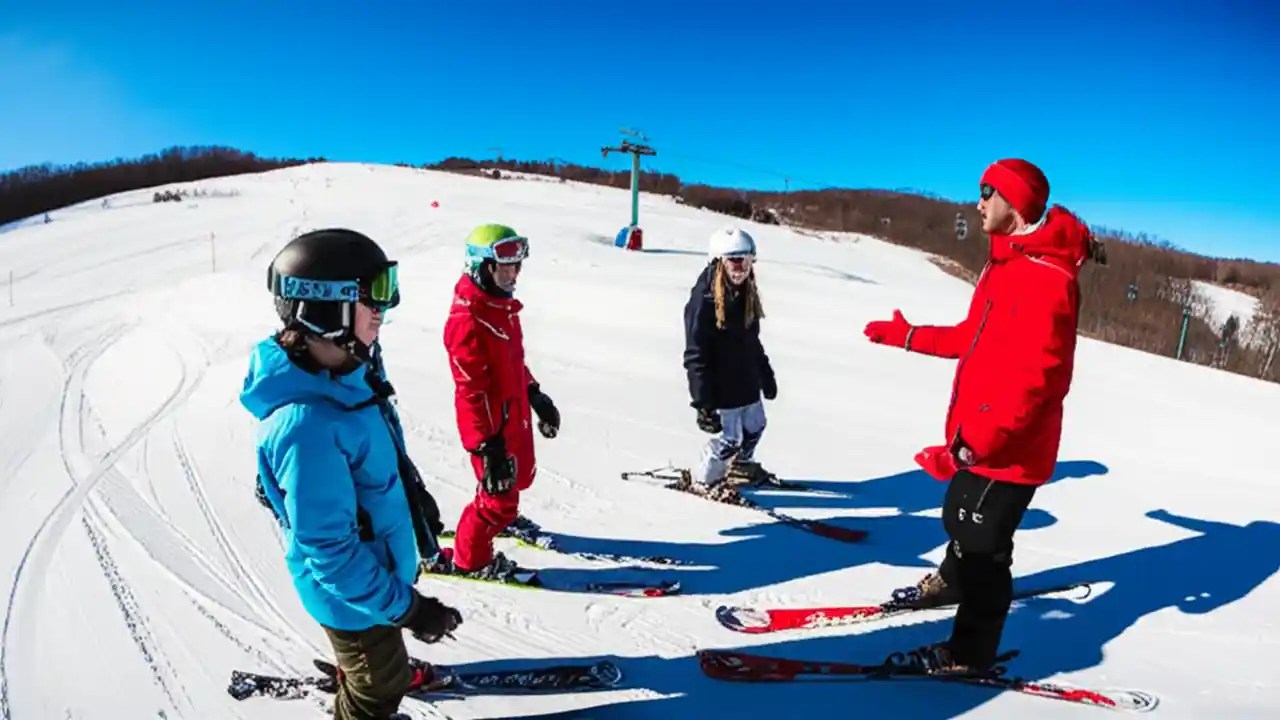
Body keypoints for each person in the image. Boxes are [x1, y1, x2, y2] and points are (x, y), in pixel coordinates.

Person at [862, 158, 1100, 675]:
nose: (978, 203)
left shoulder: (1049, 280)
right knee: (958, 517)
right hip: (981, 434)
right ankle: (952, 580)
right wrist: (907, 335)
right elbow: (971, 337)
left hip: (1012, 448)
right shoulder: (1005, 266)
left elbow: (1042, 380)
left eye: (987, 193)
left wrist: (980, 440)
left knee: (985, 544)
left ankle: (972, 652)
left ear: (1014, 204)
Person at [241, 228, 462, 720]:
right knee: (380, 687)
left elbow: (377, 452)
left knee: (378, 661)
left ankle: (361, 668)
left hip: (371, 580)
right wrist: (411, 610)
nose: (384, 309)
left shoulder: (347, 374)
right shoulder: (308, 426)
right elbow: (334, 557)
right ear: (326, 309)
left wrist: (412, 497)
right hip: (352, 596)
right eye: (371, 297)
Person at [435, 223, 560, 579]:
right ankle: (470, 559)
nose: (514, 272)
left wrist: (535, 394)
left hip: (511, 415)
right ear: (481, 266)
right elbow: (470, 392)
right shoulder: (467, 321)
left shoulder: (498, 308)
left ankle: (500, 514)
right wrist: (487, 448)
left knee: (517, 480)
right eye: (505, 263)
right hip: (491, 430)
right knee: (497, 501)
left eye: (518, 263)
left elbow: (513, 362)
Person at [682, 225, 778, 500]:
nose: (740, 269)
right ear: (718, 262)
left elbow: (753, 342)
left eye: (745, 261)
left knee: (756, 427)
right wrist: (703, 403)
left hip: (745, 381)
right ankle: (705, 478)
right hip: (721, 387)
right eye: (733, 261)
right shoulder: (704, 301)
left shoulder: (746, 295)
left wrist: (766, 375)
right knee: (729, 440)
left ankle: (737, 467)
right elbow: (695, 354)